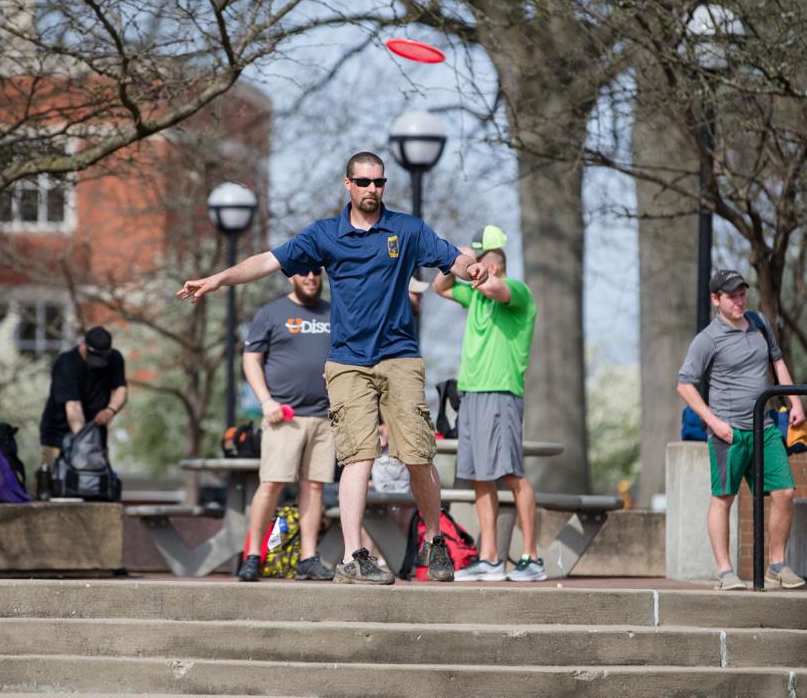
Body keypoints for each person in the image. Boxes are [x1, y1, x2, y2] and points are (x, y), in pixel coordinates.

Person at [179, 151, 489, 585]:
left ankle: (435, 539)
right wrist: (216, 279)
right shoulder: (325, 235)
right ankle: (354, 555)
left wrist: (470, 266)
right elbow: (266, 261)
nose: (372, 190)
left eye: (378, 183)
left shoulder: (406, 229)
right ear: (348, 184)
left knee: (418, 454)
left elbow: (449, 256)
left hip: (399, 355)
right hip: (347, 362)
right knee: (357, 457)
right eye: (363, 182)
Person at [677, 269, 807, 591]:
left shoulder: (760, 323)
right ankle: (725, 572)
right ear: (715, 299)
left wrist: (795, 402)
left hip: (764, 427)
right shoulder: (707, 339)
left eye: (741, 294)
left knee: (785, 492)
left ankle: (776, 565)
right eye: (731, 296)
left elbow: (777, 362)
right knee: (723, 498)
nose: (738, 301)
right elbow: (684, 385)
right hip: (729, 432)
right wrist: (714, 422)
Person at [432, 238, 545, 581]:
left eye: (478, 266)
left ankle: (532, 558)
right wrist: (458, 258)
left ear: (491, 266)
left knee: (511, 474)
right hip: (471, 394)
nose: (471, 273)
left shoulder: (516, 290)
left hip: (501, 392)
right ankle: (490, 558)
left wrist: (478, 270)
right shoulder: (474, 295)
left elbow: (497, 288)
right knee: (479, 477)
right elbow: (441, 286)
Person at [238, 267, 336, 581]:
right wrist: (266, 400)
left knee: (315, 486)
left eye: (316, 273)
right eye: (304, 273)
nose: (311, 278)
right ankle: (253, 554)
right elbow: (251, 358)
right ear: (292, 277)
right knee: (271, 484)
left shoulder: (333, 313)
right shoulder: (271, 313)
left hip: (324, 416)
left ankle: (308, 556)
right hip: (284, 417)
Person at [38, 326, 128, 467]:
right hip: (57, 435)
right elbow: (73, 408)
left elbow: (121, 389)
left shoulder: (114, 359)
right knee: (50, 481)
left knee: (96, 480)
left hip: (95, 435)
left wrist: (110, 411)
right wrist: (85, 445)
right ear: (83, 345)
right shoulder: (67, 363)